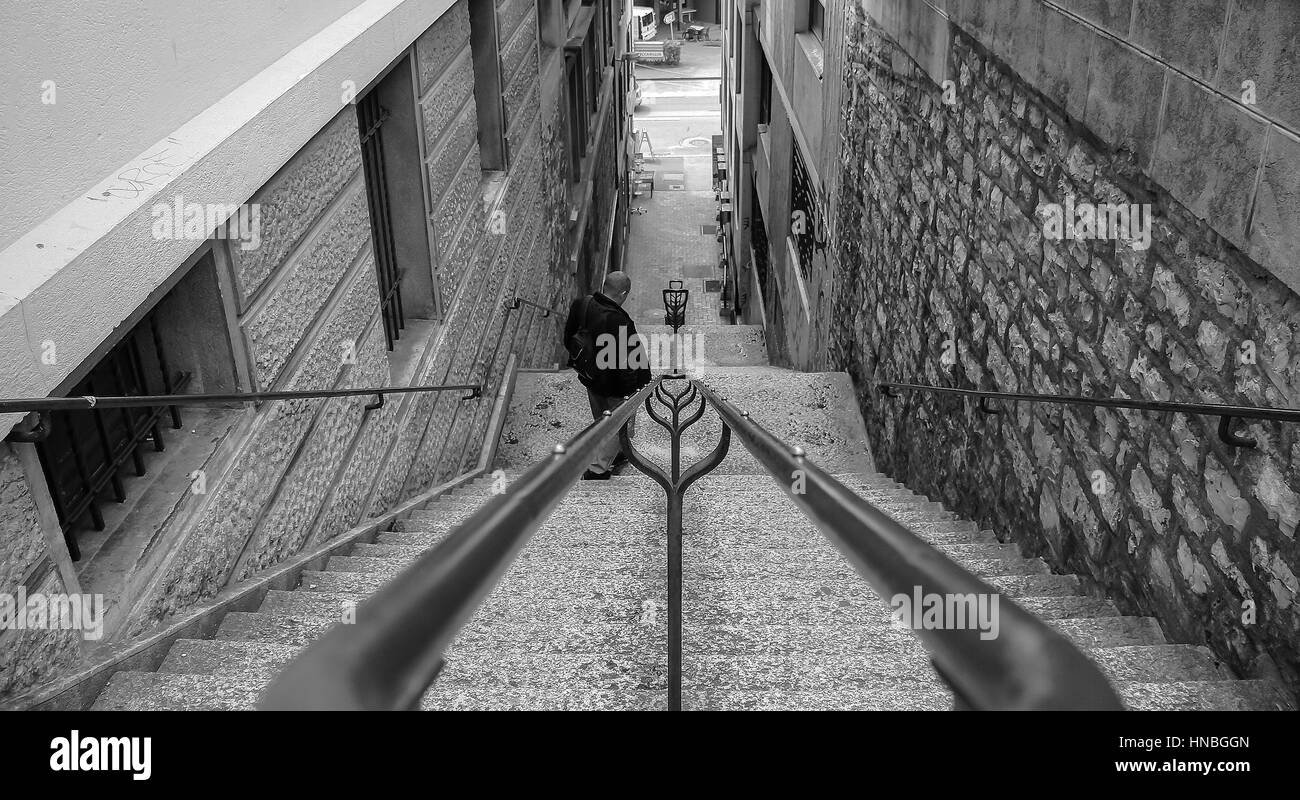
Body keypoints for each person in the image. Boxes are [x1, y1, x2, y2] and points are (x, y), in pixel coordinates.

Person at [564, 272, 653, 480]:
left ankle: (619, 452)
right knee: (616, 422)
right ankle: (597, 469)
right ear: (623, 293)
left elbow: (568, 337)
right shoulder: (619, 321)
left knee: (601, 419)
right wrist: (634, 391)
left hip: (590, 378)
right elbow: (628, 363)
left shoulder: (582, 304)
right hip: (614, 386)